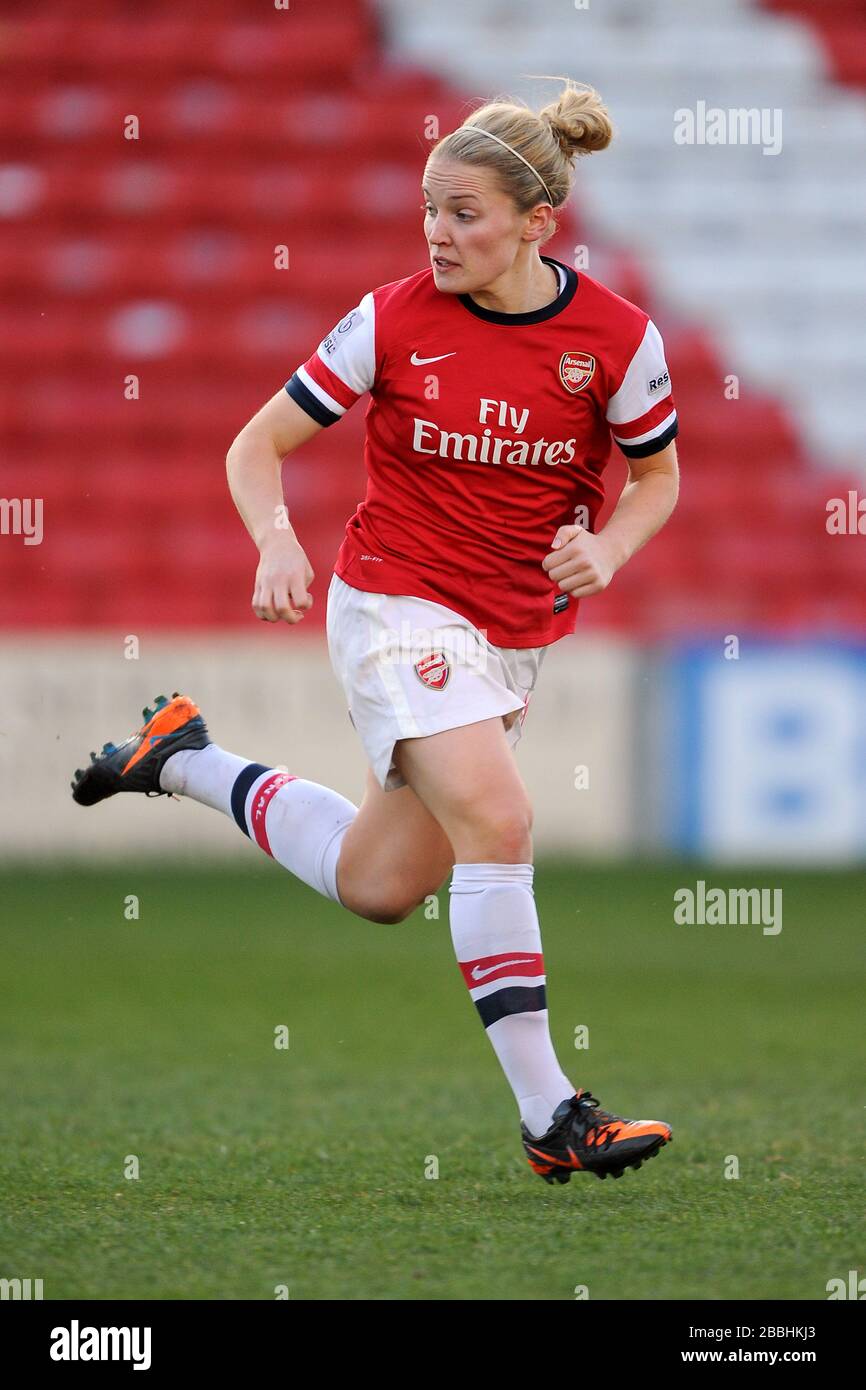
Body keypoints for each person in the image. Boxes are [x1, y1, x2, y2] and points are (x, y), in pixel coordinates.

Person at [73, 78, 679, 1184]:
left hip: (509, 632)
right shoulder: (390, 318)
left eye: (464, 214)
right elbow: (253, 448)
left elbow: (656, 479)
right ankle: (552, 1115)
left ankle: (185, 759)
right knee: (497, 817)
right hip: (393, 603)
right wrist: (273, 539)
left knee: (379, 885)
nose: (436, 234)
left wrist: (612, 548)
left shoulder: (616, 338)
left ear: (536, 225)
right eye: (427, 207)